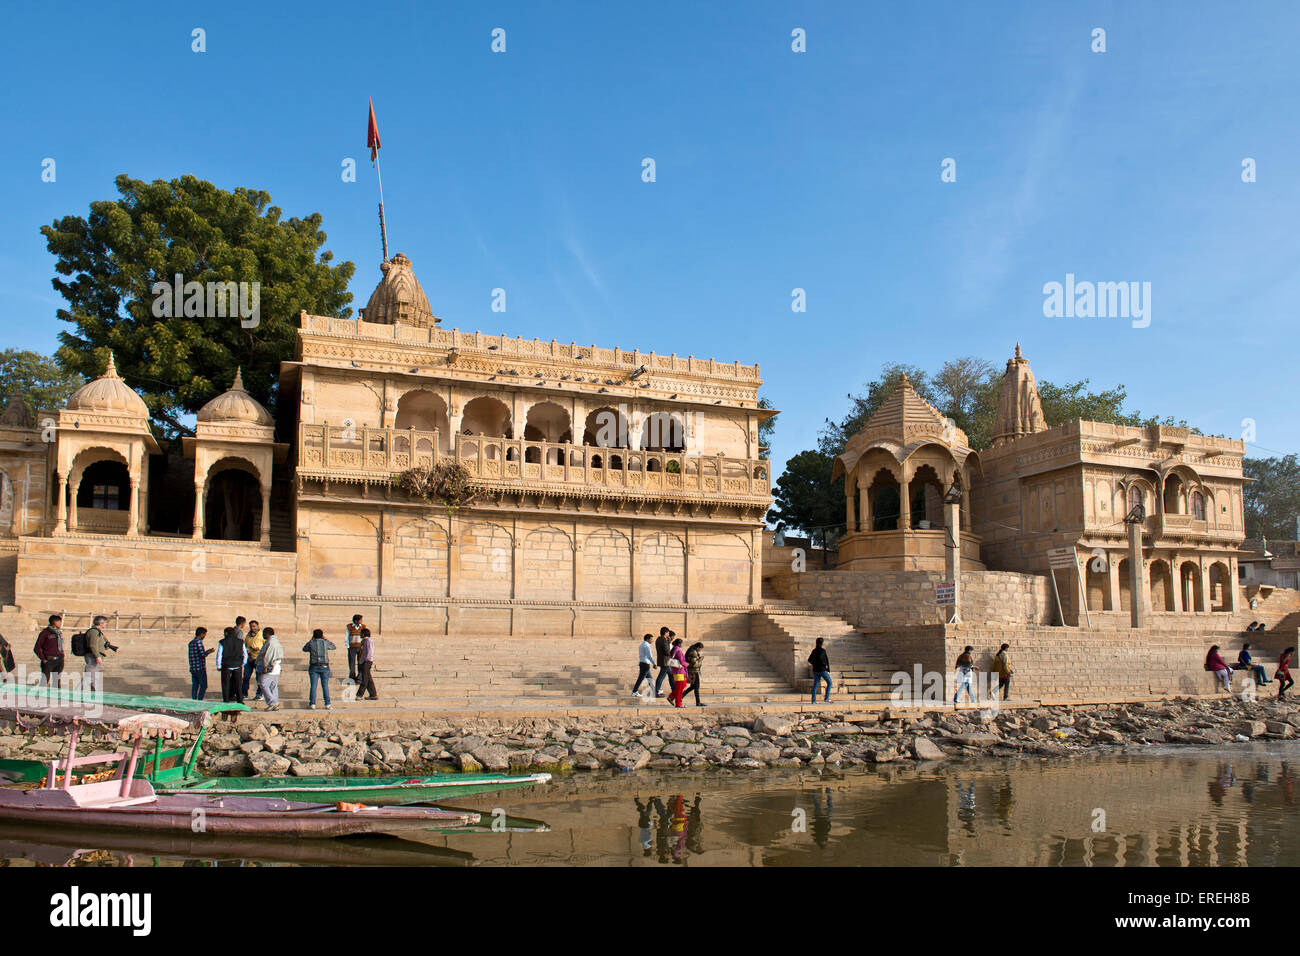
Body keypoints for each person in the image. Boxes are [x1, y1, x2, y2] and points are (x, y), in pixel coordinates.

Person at [303, 628, 336, 709]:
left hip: (314, 666)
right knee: (325, 685)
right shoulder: (325, 642)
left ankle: (312, 704)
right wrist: (325, 639)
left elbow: (304, 649)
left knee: (313, 686)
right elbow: (333, 647)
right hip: (324, 666)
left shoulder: (311, 643)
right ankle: (327, 704)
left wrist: (311, 640)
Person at [216, 626, 247, 703]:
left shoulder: (222, 642)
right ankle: (240, 700)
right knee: (238, 684)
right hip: (237, 665)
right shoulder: (240, 642)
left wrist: (218, 665)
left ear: (226, 633)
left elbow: (219, 654)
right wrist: (242, 664)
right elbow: (245, 654)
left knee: (225, 684)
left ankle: (226, 700)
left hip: (226, 665)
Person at [82, 615, 112, 692]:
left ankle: (92, 693)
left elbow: (98, 644)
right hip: (93, 657)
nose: (106, 624)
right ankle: (80, 692)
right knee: (89, 676)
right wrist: (97, 656)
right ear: (101, 623)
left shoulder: (98, 631)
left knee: (93, 676)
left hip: (95, 656)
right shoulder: (94, 632)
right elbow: (92, 645)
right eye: (105, 623)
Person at [257, 626, 284, 711]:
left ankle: (272, 702)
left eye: (264, 633)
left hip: (270, 666)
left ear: (267, 633)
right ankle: (275, 702)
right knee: (273, 686)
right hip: (275, 667)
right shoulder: (275, 642)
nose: (263, 635)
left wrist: (266, 666)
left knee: (263, 683)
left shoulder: (271, 642)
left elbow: (268, 656)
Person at [34, 614, 64, 687]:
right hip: (49, 660)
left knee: (57, 682)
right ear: (54, 622)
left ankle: (56, 697)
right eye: (59, 621)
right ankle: (40, 696)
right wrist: (43, 659)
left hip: (59, 660)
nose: (60, 623)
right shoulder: (45, 633)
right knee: (45, 680)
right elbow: (37, 648)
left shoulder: (59, 633)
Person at [187, 627, 213, 700]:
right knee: (203, 685)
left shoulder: (191, 643)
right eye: (204, 634)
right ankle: (200, 700)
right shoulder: (199, 642)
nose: (204, 636)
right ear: (201, 634)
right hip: (200, 668)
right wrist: (209, 651)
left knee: (195, 685)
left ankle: (194, 699)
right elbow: (202, 654)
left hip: (193, 668)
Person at [243, 620, 265, 701]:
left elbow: (266, 645)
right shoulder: (248, 635)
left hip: (258, 659)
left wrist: (258, 649)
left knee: (259, 678)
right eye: (251, 626)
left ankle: (259, 694)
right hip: (249, 659)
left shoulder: (262, 635)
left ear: (258, 626)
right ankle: (244, 694)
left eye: (254, 626)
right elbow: (245, 645)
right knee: (246, 677)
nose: (252, 628)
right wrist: (247, 650)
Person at [356, 627, 378, 701]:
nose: (360, 634)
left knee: (364, 679)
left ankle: (359, 694)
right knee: (369, 679)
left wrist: (366, 661)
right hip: (363, 661)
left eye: (361, 633)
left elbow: (369, 651)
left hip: (367, 661)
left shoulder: (368, 640)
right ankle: (373, 694)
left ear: (364, 633)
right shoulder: (364, 641)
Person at [808, 637, 831, 703]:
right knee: (829, 682)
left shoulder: (814, 651)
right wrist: (825, 665)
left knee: (815, 685)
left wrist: (815, 664)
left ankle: (813, 700)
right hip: (822, 670)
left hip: (815, 670)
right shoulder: (823, 651)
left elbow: (809, 660)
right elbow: (823, 660)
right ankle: (826, 699)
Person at [653, 627, 674, 697]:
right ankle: (656, 691)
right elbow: (667, 651)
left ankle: (674, 689)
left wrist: (668, 641)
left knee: (671, 674)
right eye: (668, 632)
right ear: (665, 633)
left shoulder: (658, 639)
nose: (669, 634)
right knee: (661, 676)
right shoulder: (664, 640)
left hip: (663, 660)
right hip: (665, 661)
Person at [668, 638, 688, 708]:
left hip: (677, 671)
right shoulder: (678, 650)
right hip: (679, 671)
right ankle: (678, 704)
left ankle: (671, 697)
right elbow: (682, 661)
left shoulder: (674, 649)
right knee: (679, 688)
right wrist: (687, 664)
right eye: (681, 643)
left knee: (682, 686)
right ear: (679, 644)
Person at [683, 641, 705, 707]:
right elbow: (694, 664)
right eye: (700, 649)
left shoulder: (692, 651)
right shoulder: (694, 652)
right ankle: (698, 702)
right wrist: (700, 660)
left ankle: (680, 697)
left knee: (693, 687)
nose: (700, 650)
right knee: (696, 687)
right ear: (698, 647)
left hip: (692, 671)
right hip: (694, 671)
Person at [346, 614, 364, 682]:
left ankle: (359, 678)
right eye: (360, 620)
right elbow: (347, 637)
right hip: (352, 647)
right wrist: (348, 646)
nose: (362, 621)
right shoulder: (349, 626)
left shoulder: (363, 627)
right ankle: (352, 677)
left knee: (360, 663)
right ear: (356, 621)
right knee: (351, 663)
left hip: (360, 647)